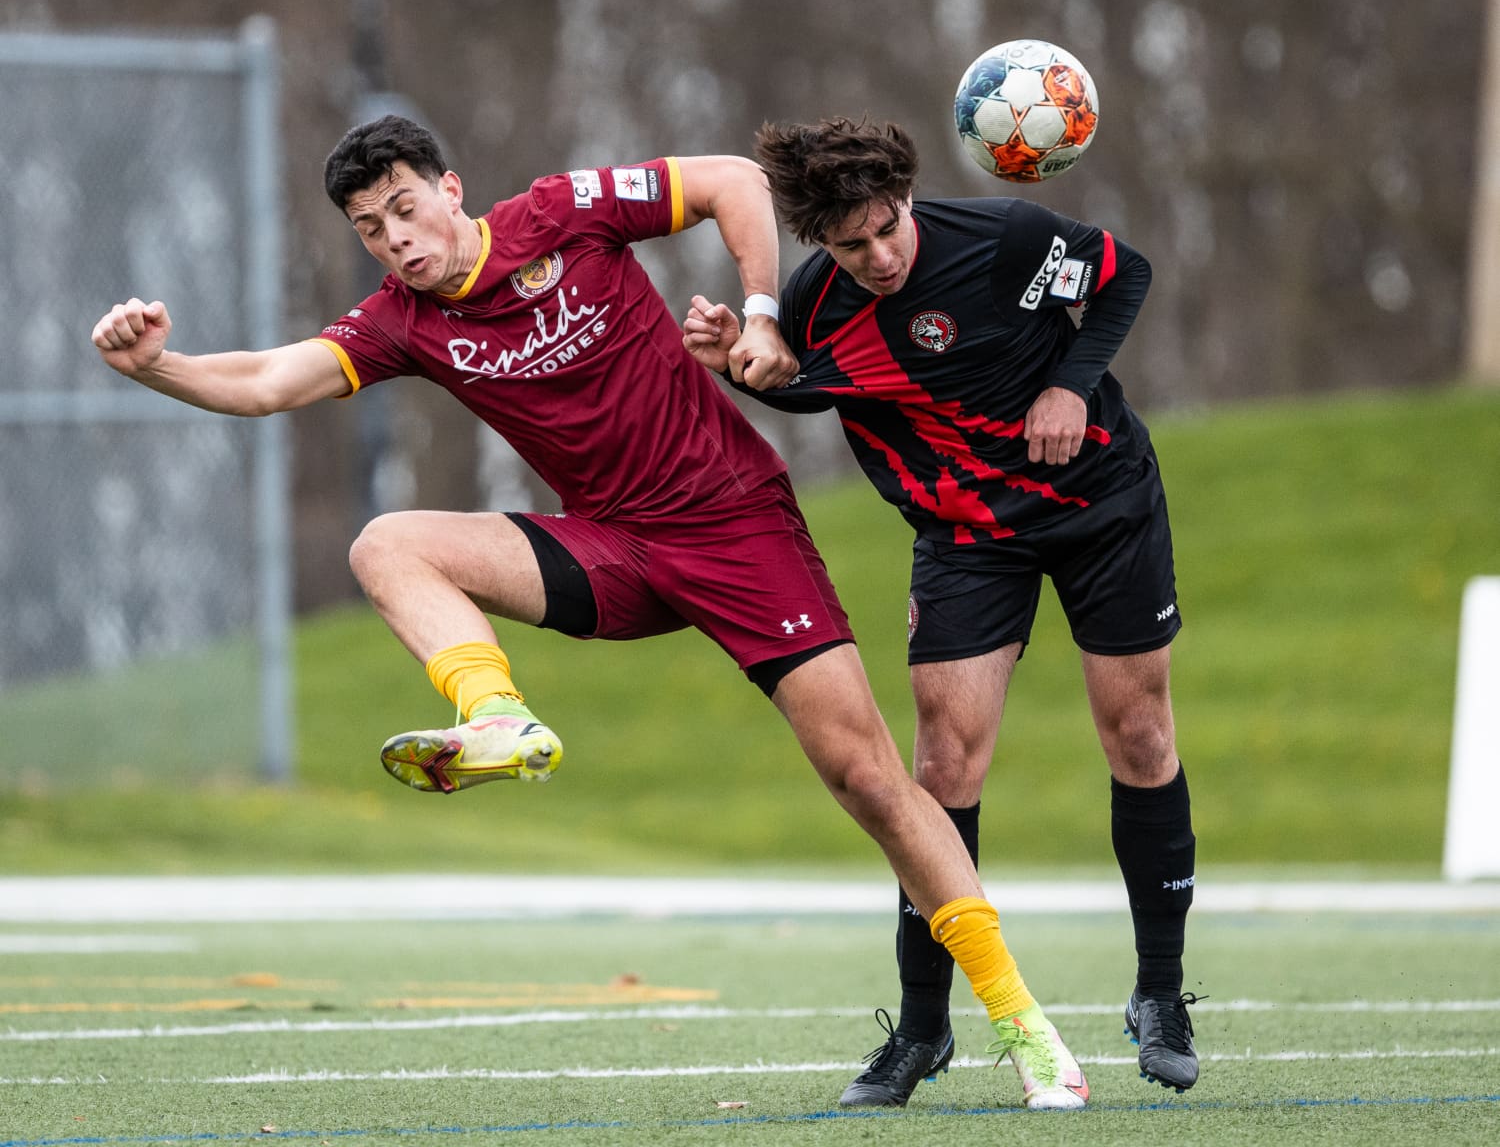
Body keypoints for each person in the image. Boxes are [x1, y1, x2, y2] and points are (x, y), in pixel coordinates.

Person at [90, 114, 1090, 1112]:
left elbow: (734, 180)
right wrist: (159, 367)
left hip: (737, 529)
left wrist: (760, 314)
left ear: (450, 189)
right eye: (370, 227)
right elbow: (269, 380)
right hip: (612, 550)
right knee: (385, 543)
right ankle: (497, 718)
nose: (396, 238)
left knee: (868, 778)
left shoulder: (564, 214)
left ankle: (1023, 1025)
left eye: (404, 208)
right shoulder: (402, 320)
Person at [682, 116, 1201, 1105]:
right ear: (820, 242)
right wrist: (738, 366)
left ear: (907, 200)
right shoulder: (814, 302)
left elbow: (1123, 275)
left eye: (888, 228)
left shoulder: (1005, 237)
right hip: (968, 537)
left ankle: (1161, 995)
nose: (878, 256)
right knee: (941, 769)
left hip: (1102, 503)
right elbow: (817, 387)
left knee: (1139, 734)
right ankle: (923, 1029)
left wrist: (1069, 386)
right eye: (852, 245)